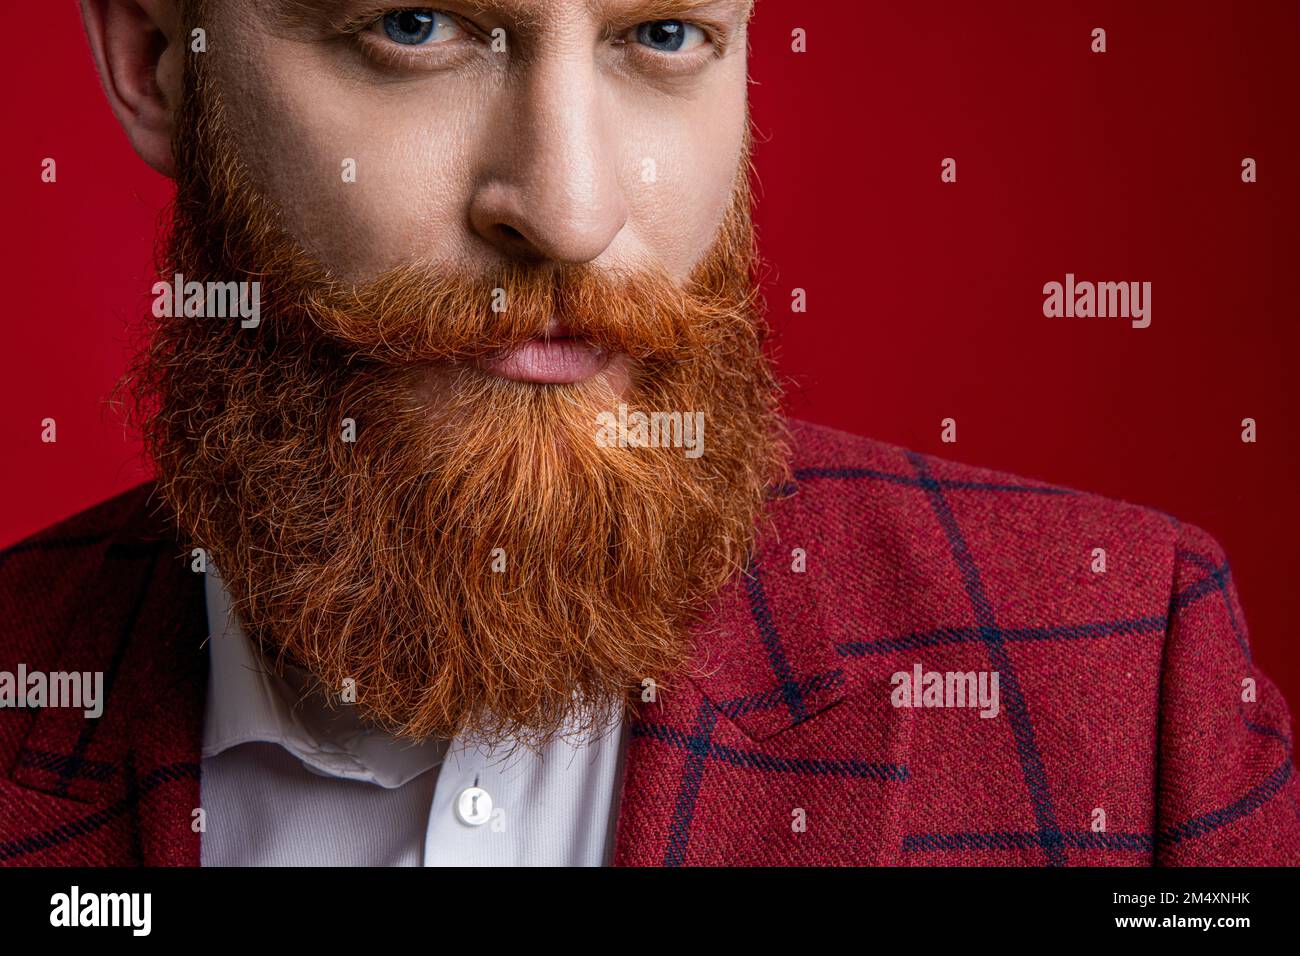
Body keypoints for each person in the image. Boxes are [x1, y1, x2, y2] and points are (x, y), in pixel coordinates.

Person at [0, 0, 1295, 866]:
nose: (567, 211)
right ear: (160, 60)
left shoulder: (1131, 692)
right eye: (416, 25)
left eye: (662, 32)